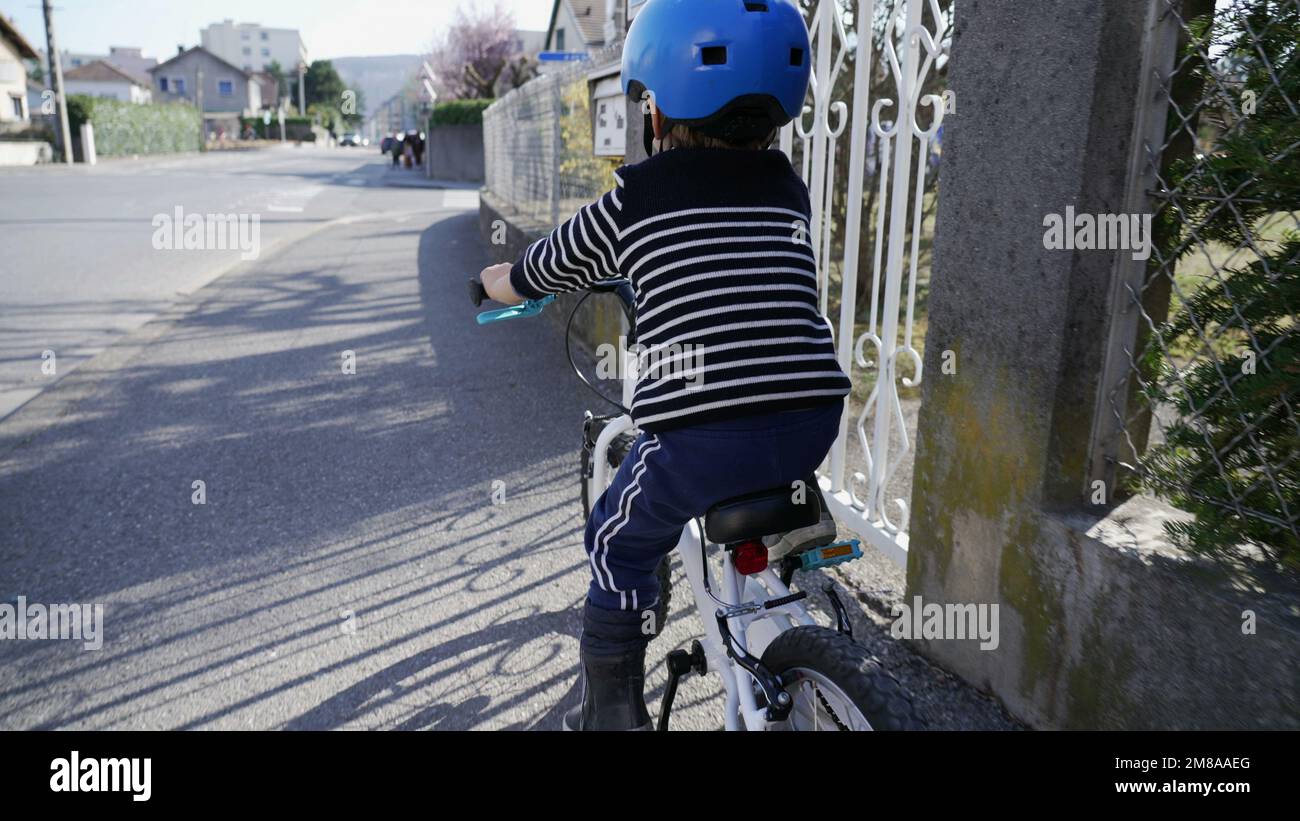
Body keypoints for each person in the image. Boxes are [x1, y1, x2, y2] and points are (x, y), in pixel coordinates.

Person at [476, 0, 848, 730]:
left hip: (700, 444)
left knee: (617, 540)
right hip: (813, 420)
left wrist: (500, 279)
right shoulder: (786, 189)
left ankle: (611, 709)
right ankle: (797, 568)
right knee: (762, 446)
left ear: (654, 107)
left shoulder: (638, 200)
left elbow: (549, 264)